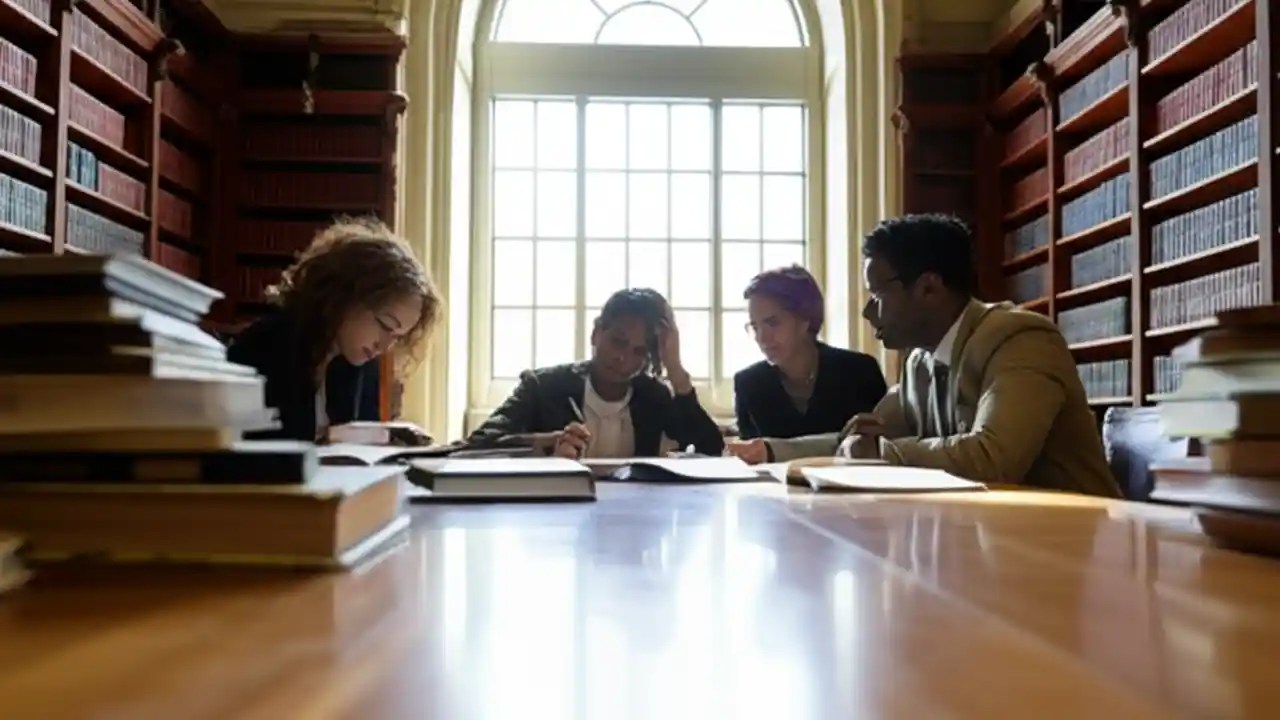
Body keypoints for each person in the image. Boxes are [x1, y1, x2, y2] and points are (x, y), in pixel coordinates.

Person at [728, 214, 1121, 497]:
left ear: (929, 289)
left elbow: (993, 456)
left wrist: (882, 453)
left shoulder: (1021, 339)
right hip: (994, 538)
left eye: (878, 296)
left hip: (1077, 544)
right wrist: (769, 450)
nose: (868, 313)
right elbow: (857, 440)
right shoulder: (920, 362)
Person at [227, 216, 442, 442]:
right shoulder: (267, 346)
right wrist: (333, 436)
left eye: (398, 337)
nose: (386, 345)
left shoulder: (362, 363)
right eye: (385, 325)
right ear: (345, 298)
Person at [467, 288, 724, 459]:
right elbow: (477, 445)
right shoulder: (544, 387)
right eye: (617, 341)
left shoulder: (653, 396)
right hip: (555, 519)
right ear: (596, 332)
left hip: (634, 522)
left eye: (639, 352)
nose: (623, 358)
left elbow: (711, 450)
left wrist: (676, 372)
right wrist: (546, 443)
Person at [732, 265, 886, 441]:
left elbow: (884, 445)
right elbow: (750, 458)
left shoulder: (859, 371)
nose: (761, 337)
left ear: (805, 318)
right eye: (754, 326)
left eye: (772, 323)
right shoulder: (748, 384)